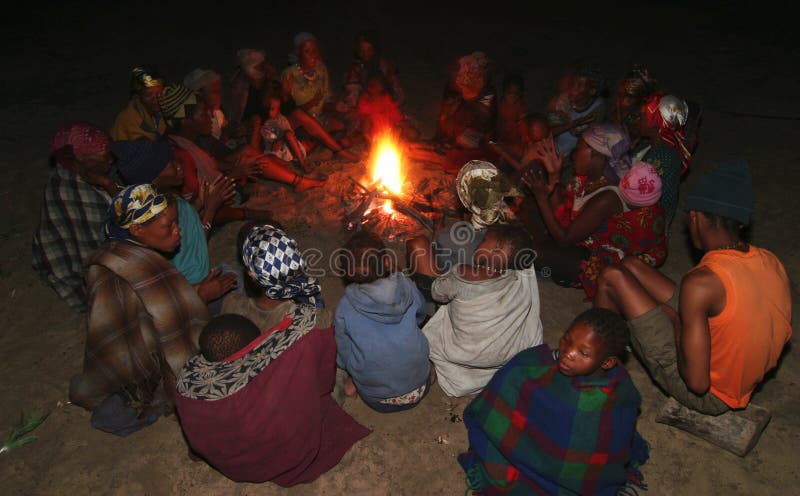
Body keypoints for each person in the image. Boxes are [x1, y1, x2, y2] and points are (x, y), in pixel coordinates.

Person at [594, 159, 792, 414]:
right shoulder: (769, 260)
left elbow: (697, 383)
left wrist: (677, 323)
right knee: (630, 265)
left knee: (611, 276)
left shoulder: (701, 283)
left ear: (696, 217)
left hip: (712, 394)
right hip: (737, 372)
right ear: (740, 223)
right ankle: (618, 340)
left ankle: (596, 372)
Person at [459, 308, 649, 495]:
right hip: (533, 442)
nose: (567, 354)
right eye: (567, 340)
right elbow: (499, 396)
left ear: (607, 363)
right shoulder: (530, 365)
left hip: (566, 471)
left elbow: (597, 455)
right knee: (518, 371)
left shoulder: (611, 402)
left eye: (583, 353)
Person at [69, 184, 210, 429]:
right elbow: (173, 327)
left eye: (176, 222)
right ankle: (143, 402)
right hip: (145, 366)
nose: (178, 231)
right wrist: (203, 295)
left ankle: (119, 402)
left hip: (123, 358)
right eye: (169, 226)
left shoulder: (108, 255)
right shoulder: (145, 267)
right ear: (137, 229)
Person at [173, 312, 370, 485]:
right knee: (332, 376)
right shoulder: (274, 373)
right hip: (285, 456)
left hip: (234, 466)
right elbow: (315, 385)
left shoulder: (187, 382)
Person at [521, 125, 666, 298]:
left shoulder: (608, 197)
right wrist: (554, 175)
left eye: (579, 149)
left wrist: (542, 199)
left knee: (531, 250)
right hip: (580, 240)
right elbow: (565, 214)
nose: (574, 154)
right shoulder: (587, 178)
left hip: (600, 261)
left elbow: (565, 239)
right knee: (527, 208)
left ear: (597, 154)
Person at [111, 139, 239, 310]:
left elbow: (181, 227)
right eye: (171, 163)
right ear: (153, 175)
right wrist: (210, 211)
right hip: (188, 297)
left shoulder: (140, 206)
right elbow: (192, 250)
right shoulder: (142, 267)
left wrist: (199, 204)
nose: (180, 165)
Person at [422, 223, 544, 397]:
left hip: (464, 352)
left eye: (485, 240)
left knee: (426, 292)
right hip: (501, 354)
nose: (480, 242)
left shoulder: (464, 274)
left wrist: (451, 275)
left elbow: (437, 293)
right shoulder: (519, 276)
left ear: (495, 249)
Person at [158, 82, 324, 197]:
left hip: (225, 178)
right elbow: (202, 199)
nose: (209, 117)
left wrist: (236, 163)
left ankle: (293, 177)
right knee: (249, 154)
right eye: (203, 113)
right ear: (186, 121)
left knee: (247, 152)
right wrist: (236, 174)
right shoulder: (180, 155)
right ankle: (296, 180)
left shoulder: (191, 138)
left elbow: (215, 161)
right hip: (218, 202)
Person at [334, 231, 433, 412]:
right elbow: (421, 313)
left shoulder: (345, 308)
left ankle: (355, 384)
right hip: (420, 388)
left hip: (378, 400)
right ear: (387, 262)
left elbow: (343, 349)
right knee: (427, 363)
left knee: (359, 362)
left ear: (347, 273)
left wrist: (350, 369)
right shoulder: (407, 287)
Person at [406, 161, 521, 306]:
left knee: (417, 244)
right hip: (481, 284)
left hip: (451, 290)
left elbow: (438, 248)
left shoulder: (455, 236)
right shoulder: (506, 230)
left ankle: (425, 302)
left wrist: (438, 225)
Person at [32, 123, 117, 312]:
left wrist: (109, 185)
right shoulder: (67, 190)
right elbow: (95, 246)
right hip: (73, 263)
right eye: (104, 156)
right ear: (81, 158)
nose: (110, 161)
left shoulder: (93, 176)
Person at [406, 51, 498, 172]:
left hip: (474, 148)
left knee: (452, 159)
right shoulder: (456, 90)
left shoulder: (487, 96)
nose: (459, 78)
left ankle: (443, 164)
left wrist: (448, 149)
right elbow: (444, 122)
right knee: (410, 148)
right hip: (452, 144)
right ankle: (440, 160)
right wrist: (439, 143)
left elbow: (476, 135)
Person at [631, 92, 691, 229]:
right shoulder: (654, 144)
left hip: (651, 223)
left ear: (655, 125)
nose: (638, 119)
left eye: (643, 117)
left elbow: (635, 192)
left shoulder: (663, 156)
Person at [546, 66, 607, 165]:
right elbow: (547, 133)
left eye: (579, 85)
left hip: (576, 158)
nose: (573, 89)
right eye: (572, 83)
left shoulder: (598, 107)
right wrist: (570, 125)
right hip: (554, 152)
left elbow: (590, 139)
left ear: (592, 91)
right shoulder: (561, 102)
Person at [110, 66, 166, 141]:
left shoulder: (168, 110)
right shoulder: (126, 120)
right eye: (148, 95)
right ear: (137, 96)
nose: (155, 99)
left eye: (159, 93)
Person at [609, 65, 658, 141]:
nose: (620, 101)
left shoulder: (645, 124)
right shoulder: (620, 111)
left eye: (628, 98)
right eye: (619, 95)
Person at [494, 73, 526, 156]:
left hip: (514, 138)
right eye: (509, 93)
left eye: (516, 94)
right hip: (501, 136)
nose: (513, 96)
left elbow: (523, 123)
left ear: (521, 94)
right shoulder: (500, 104)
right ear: (504, 92)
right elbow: (494, 119)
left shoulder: (520, 106)